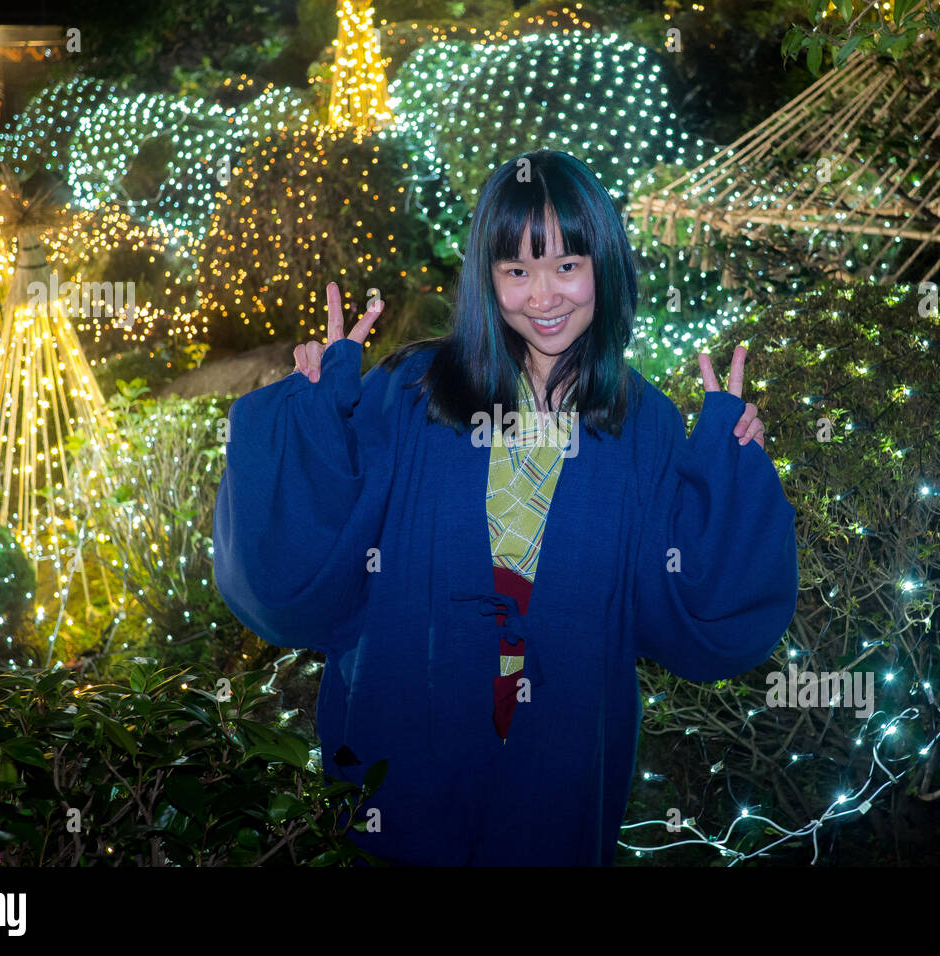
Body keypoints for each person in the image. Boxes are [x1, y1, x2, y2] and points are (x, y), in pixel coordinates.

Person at [213, 148, 798, 866]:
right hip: (409, 713)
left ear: (603, 267)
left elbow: (685, 605)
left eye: (567, 266)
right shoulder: (413, 389)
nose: (544, 296)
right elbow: (320, 547)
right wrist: (313, 415)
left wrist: (729, 466)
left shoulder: (639, 419)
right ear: (486, 279)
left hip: (563, 741)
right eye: (516, 271)